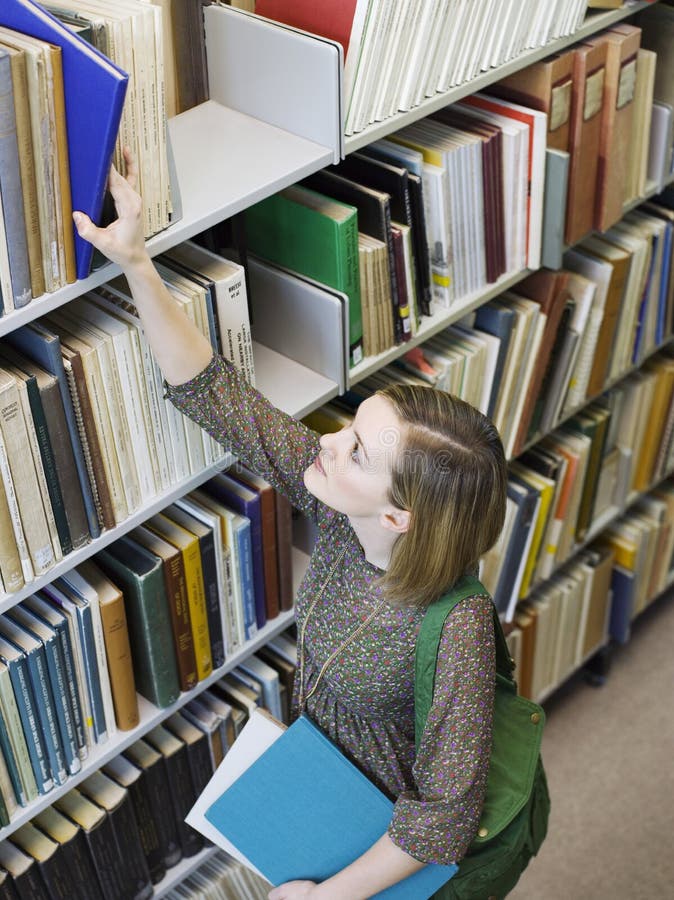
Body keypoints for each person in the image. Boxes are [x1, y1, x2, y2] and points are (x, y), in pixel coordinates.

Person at [73, 151, 508, 900]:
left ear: (400, 516)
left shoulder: (456, 625)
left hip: (382, 854)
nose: (327, 442)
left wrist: (326, 899)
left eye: (357, 452)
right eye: (349, 428)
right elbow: (214, 394)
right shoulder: (346, 513)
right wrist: (137, 261)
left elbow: (443, 816)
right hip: (321, 797)